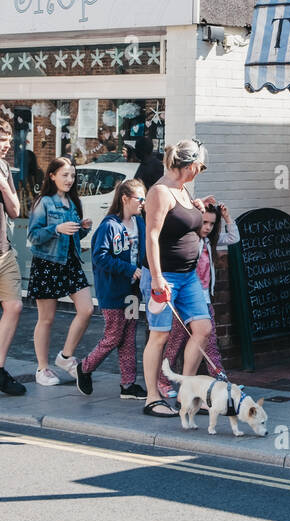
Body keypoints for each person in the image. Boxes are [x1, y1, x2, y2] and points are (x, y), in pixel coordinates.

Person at [140, 138, 211, 417]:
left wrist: (197, 207)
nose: (200, 172)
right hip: (165, 275)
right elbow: (152, 236)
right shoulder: (160, 192)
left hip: (188, 275)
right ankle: (152, 398)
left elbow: (181, 222)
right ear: (189, 165)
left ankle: (186, 393)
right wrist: (157, 278)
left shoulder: (182, 190)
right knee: (159, 335)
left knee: (202, 328)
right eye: (200, 167)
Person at [75, 179, 147, 399]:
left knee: (129, 337)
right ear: (125, 199)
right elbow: (99, 257)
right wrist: (129, 269)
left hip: (132, 292)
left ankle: (128, 385)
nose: (143, 203)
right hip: (113, 292)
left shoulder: (139, 222)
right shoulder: (109, 226)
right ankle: (84, 367)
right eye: (140, 198)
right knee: (114, 336)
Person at [26, 158, 93, 386]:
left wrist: (82, 229)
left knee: (87, 309)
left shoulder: (73, 202)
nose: (69, 179)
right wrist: (56, 228)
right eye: (65, 175)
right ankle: (42, 368)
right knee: (46, 319)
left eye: (72, 175)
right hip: (48, 263)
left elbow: (72, 236)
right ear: (52, 175)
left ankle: (65, 356)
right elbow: (33, 236)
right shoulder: (43, 202)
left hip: (71, 263)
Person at [162, 198, 237, 384]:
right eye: (204, 222)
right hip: (184, 298)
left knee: (210, 339)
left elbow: (233, 238)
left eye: (212, 224)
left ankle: (219, 379)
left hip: (203, 297)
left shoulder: (210, 241)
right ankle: (162, 380)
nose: (208, 227)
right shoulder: (188, 241)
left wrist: (227, 217)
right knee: (176, 341)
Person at [0, 118, 25, 395]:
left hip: (4, 251)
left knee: (14, 306)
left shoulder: (4, 168)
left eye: (8, 141)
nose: (7, 146)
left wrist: (3, 185)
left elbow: (16, 210)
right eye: (1, 141)